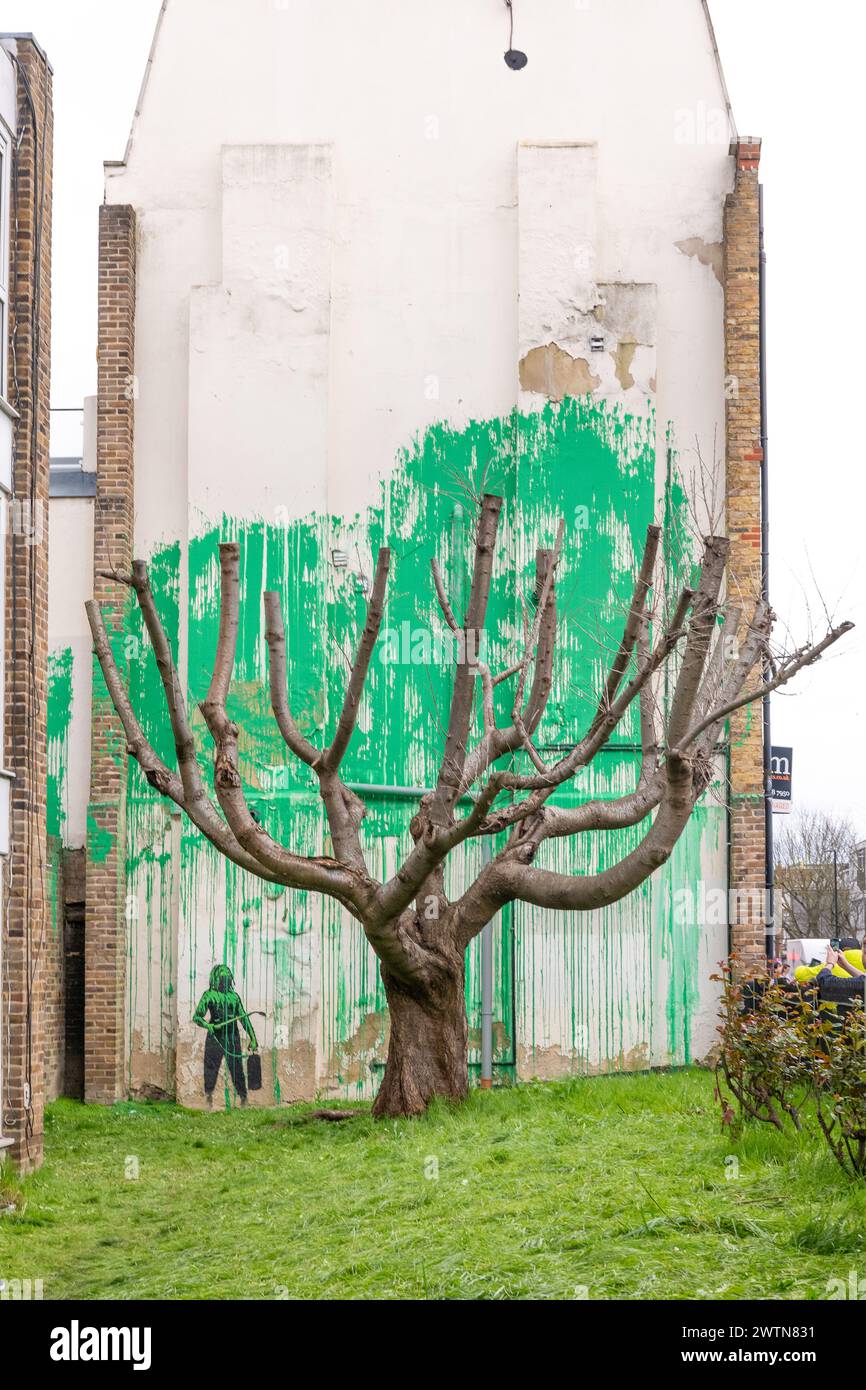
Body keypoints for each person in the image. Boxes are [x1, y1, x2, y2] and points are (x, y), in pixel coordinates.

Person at [193, 964, 258, 1107]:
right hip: (215, 1037)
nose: (225, 978)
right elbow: (197, 1017)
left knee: (237, 1069)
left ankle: (243, 1098)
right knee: (210, 1068)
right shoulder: (209, 995)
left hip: (232, 1037)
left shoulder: (234, 997)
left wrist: (253, 1038)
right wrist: (208, 1025)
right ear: (215, 978)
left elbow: (244, 1018)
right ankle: (208, 1099)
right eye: (221, 977)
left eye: (227, 976)